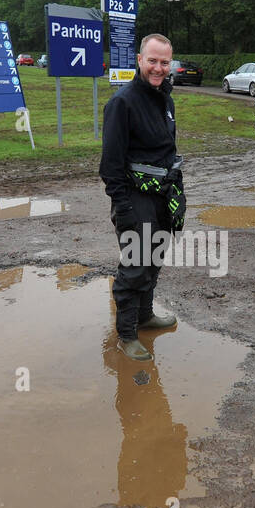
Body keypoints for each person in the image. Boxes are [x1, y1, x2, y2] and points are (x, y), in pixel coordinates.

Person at [99, 33, 185, 362]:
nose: (158, 68)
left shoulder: (166, 98)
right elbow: (110, 166)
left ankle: (146, 316)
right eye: (152, 61)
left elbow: (167, 150)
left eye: (164, 62)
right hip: (135, 198)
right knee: (135, 266)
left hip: (165, 196)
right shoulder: (122, 102)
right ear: (139, 60)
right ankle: (127, 334)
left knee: (155, 258)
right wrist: (124, 211)